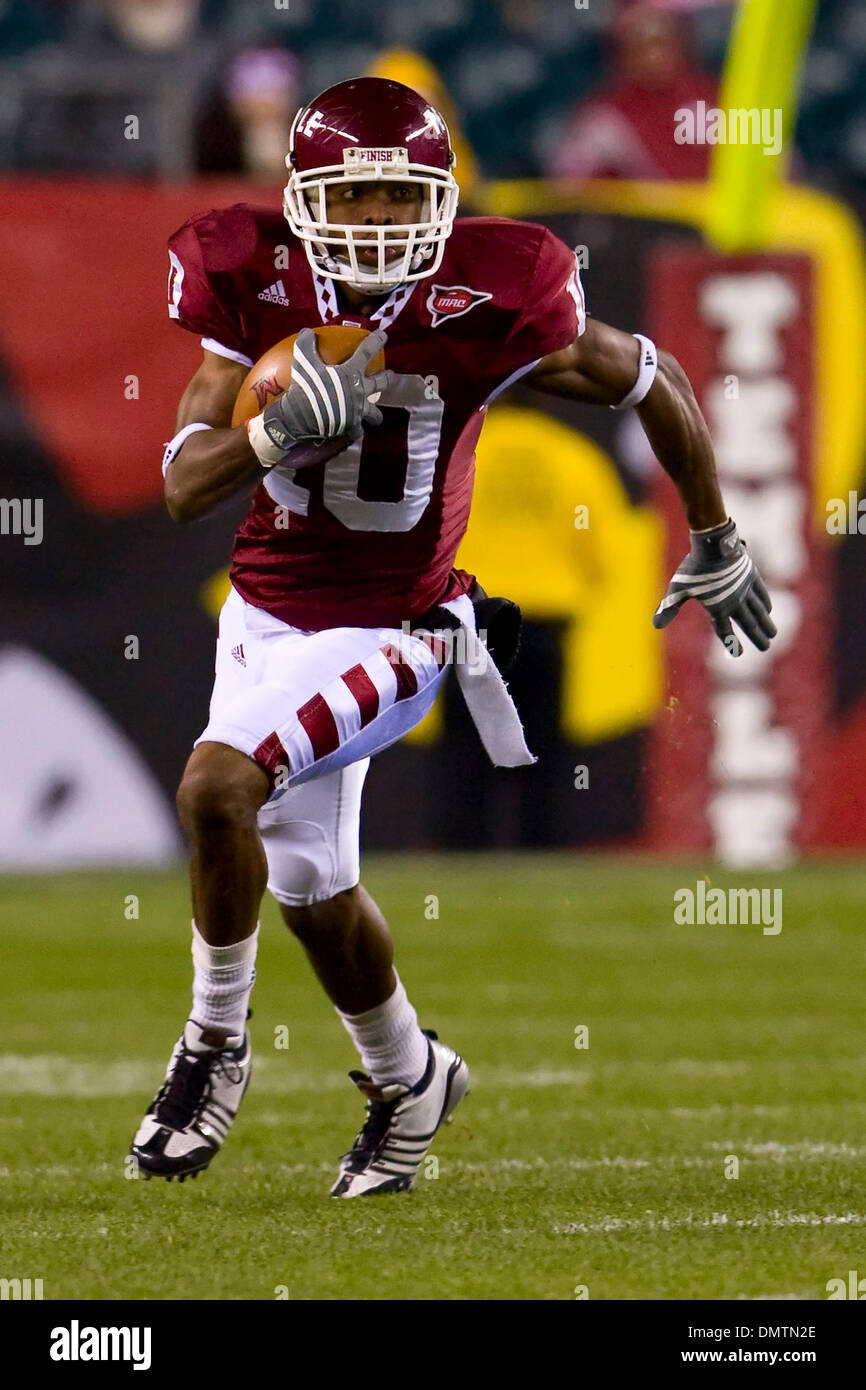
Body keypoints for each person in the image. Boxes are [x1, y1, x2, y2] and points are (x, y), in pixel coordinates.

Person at [130, 76, 775, 1197]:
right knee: (315, 893)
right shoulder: (250, 273)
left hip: (401, 626)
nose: (379, 219)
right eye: (356, 194)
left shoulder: (495, 285)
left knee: (214, 789)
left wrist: (714, 529)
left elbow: (650, 375)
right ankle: (409, 1075)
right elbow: (185, 486)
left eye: (399, 195)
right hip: (266, 617)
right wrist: (276, 428)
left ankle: (213, 1045)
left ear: (439, 198)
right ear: (304, 200)